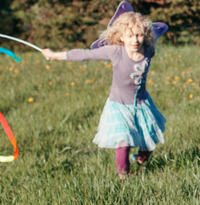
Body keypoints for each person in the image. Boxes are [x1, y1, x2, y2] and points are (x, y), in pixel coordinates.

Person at [41, 11, 166, 178]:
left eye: (139, 35)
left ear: (145, 35)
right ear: (121, 37)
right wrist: (54, 55)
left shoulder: (148, 51)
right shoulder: (115, 52)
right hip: (120, 105)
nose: (135, 40)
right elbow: (85, 54)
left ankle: (140, 160)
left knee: (150, 143)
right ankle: (124, 178)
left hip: (142, 103)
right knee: (124, 142)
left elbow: (157, 32)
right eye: (129, 36)